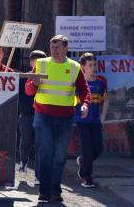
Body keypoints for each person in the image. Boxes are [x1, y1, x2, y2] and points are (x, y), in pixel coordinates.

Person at [26, 35, 90, 203]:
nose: (54, 50)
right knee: (46, 153)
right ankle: (44, 191)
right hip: (43, 116)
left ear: (66, 48)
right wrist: (34, 83)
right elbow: (28, 90)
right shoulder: (42, 64)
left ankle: (55, 190)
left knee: (60, 156)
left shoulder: (75, 67)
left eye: (57, 47)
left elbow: (84, 90)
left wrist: (85, 104)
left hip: (65, 118)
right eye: (52, 47)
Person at [76, 52, 108, 188]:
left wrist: (102, 117)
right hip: (82, 122)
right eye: (90, 65)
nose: (94, 67)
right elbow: (73, 101)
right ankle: (86, 178)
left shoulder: (101, 83)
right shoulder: (79, 83)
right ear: (83, 67)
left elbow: (106, 100)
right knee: (88, 149)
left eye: (95, 64)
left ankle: (83, 162)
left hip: (95, 121)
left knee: (99, 148)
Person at [19, 50, 46, 174]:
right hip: (27, 114)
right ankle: (23, 162)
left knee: (40, 143)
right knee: (26, 140)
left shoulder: (47, 77)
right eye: (35, 62)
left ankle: (38, 170)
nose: (38, 65)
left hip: (43, 115)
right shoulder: (24, 77)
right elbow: (21, 95)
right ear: (30, 62)